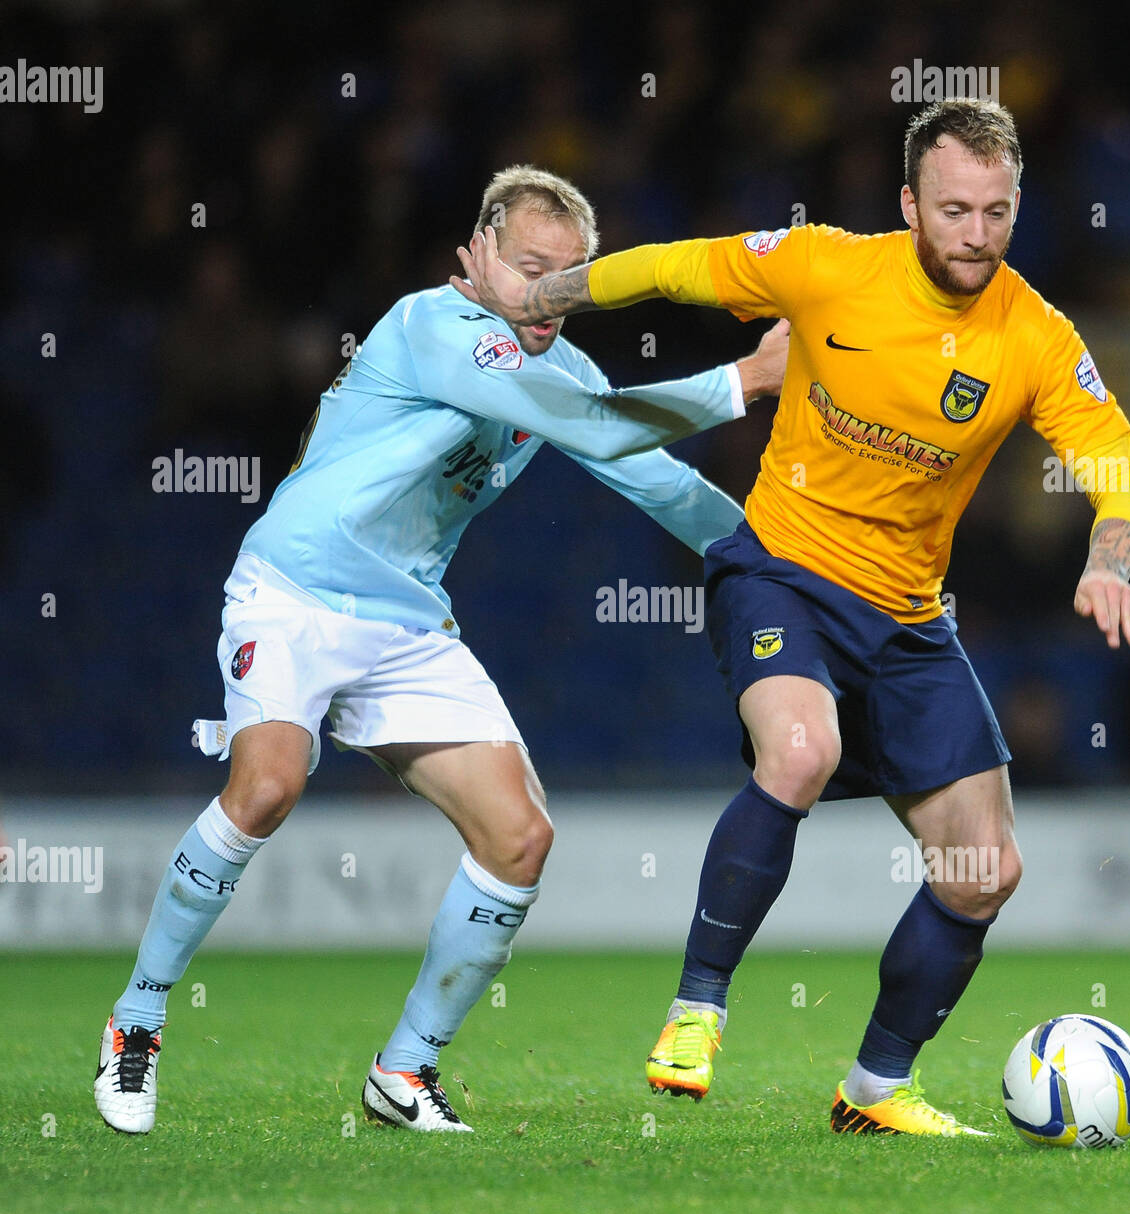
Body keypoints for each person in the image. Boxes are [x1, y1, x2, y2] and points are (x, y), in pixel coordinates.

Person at [454, 100, 1130, 1137]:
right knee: (799, 749)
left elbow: (1120, 470)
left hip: (910, 620)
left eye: (997, 212)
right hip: (781, 572)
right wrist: (542, 294)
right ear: (909, 202)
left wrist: (1110, 559)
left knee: (983, 871)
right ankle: (696, 1009)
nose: (975, 234)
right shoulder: (826, 266)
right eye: (954, 209)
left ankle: (876, 1088)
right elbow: (672, 266)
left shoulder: (1035, 334)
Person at [94, 166, 789, 1135]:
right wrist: (747, 379)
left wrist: (783, 566)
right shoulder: (432, 326)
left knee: (520, 838)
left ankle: (404, 1071)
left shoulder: (563, 369)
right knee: (266, 787)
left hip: (406, 620)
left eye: (571, 275)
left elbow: (655, 480)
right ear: (478, 254)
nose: (547, 291)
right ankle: (137, 1019)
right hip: (292, 590)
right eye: (529, 266)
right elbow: (587, 423)